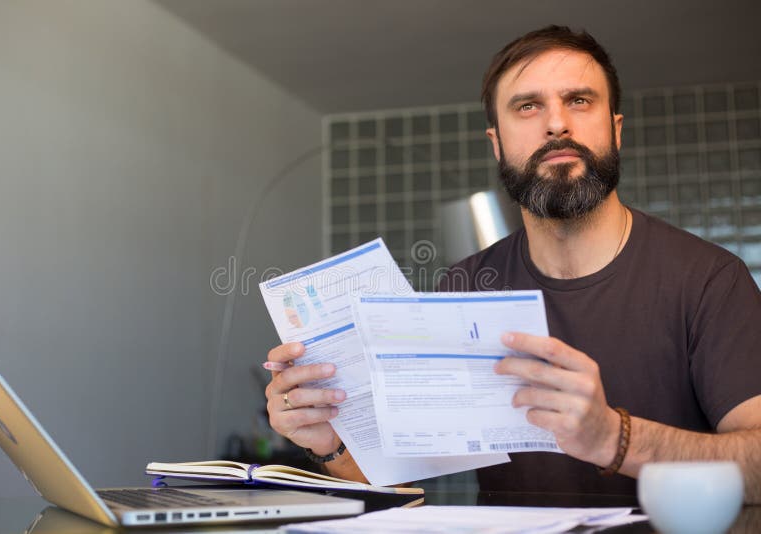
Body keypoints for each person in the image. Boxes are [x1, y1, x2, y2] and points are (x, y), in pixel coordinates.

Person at [263, 25, 761, 500]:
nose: (557, 123)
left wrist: (613, 437)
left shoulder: (710, 281)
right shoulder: (464, 287)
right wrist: (330, 443)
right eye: (528, 106)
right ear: (497, 144)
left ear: (616, 130)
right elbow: (396, 487)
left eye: (579, 100)